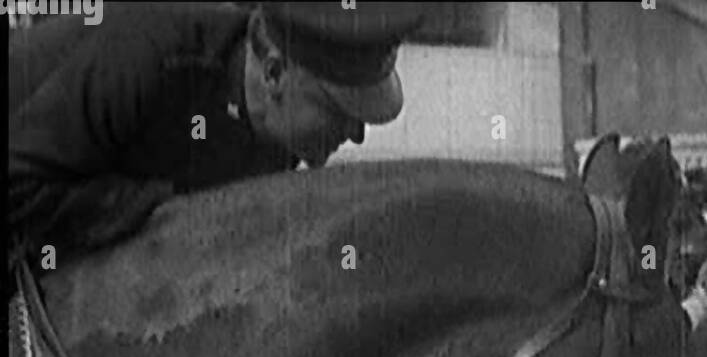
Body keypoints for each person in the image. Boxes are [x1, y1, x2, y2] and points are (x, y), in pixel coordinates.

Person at [8, 1, 425, 269]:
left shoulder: (277, 133)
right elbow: (17, 185)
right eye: (338, 110)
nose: (356, 136)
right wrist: (161, 213)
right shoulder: (147, 57)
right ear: (276, 72)